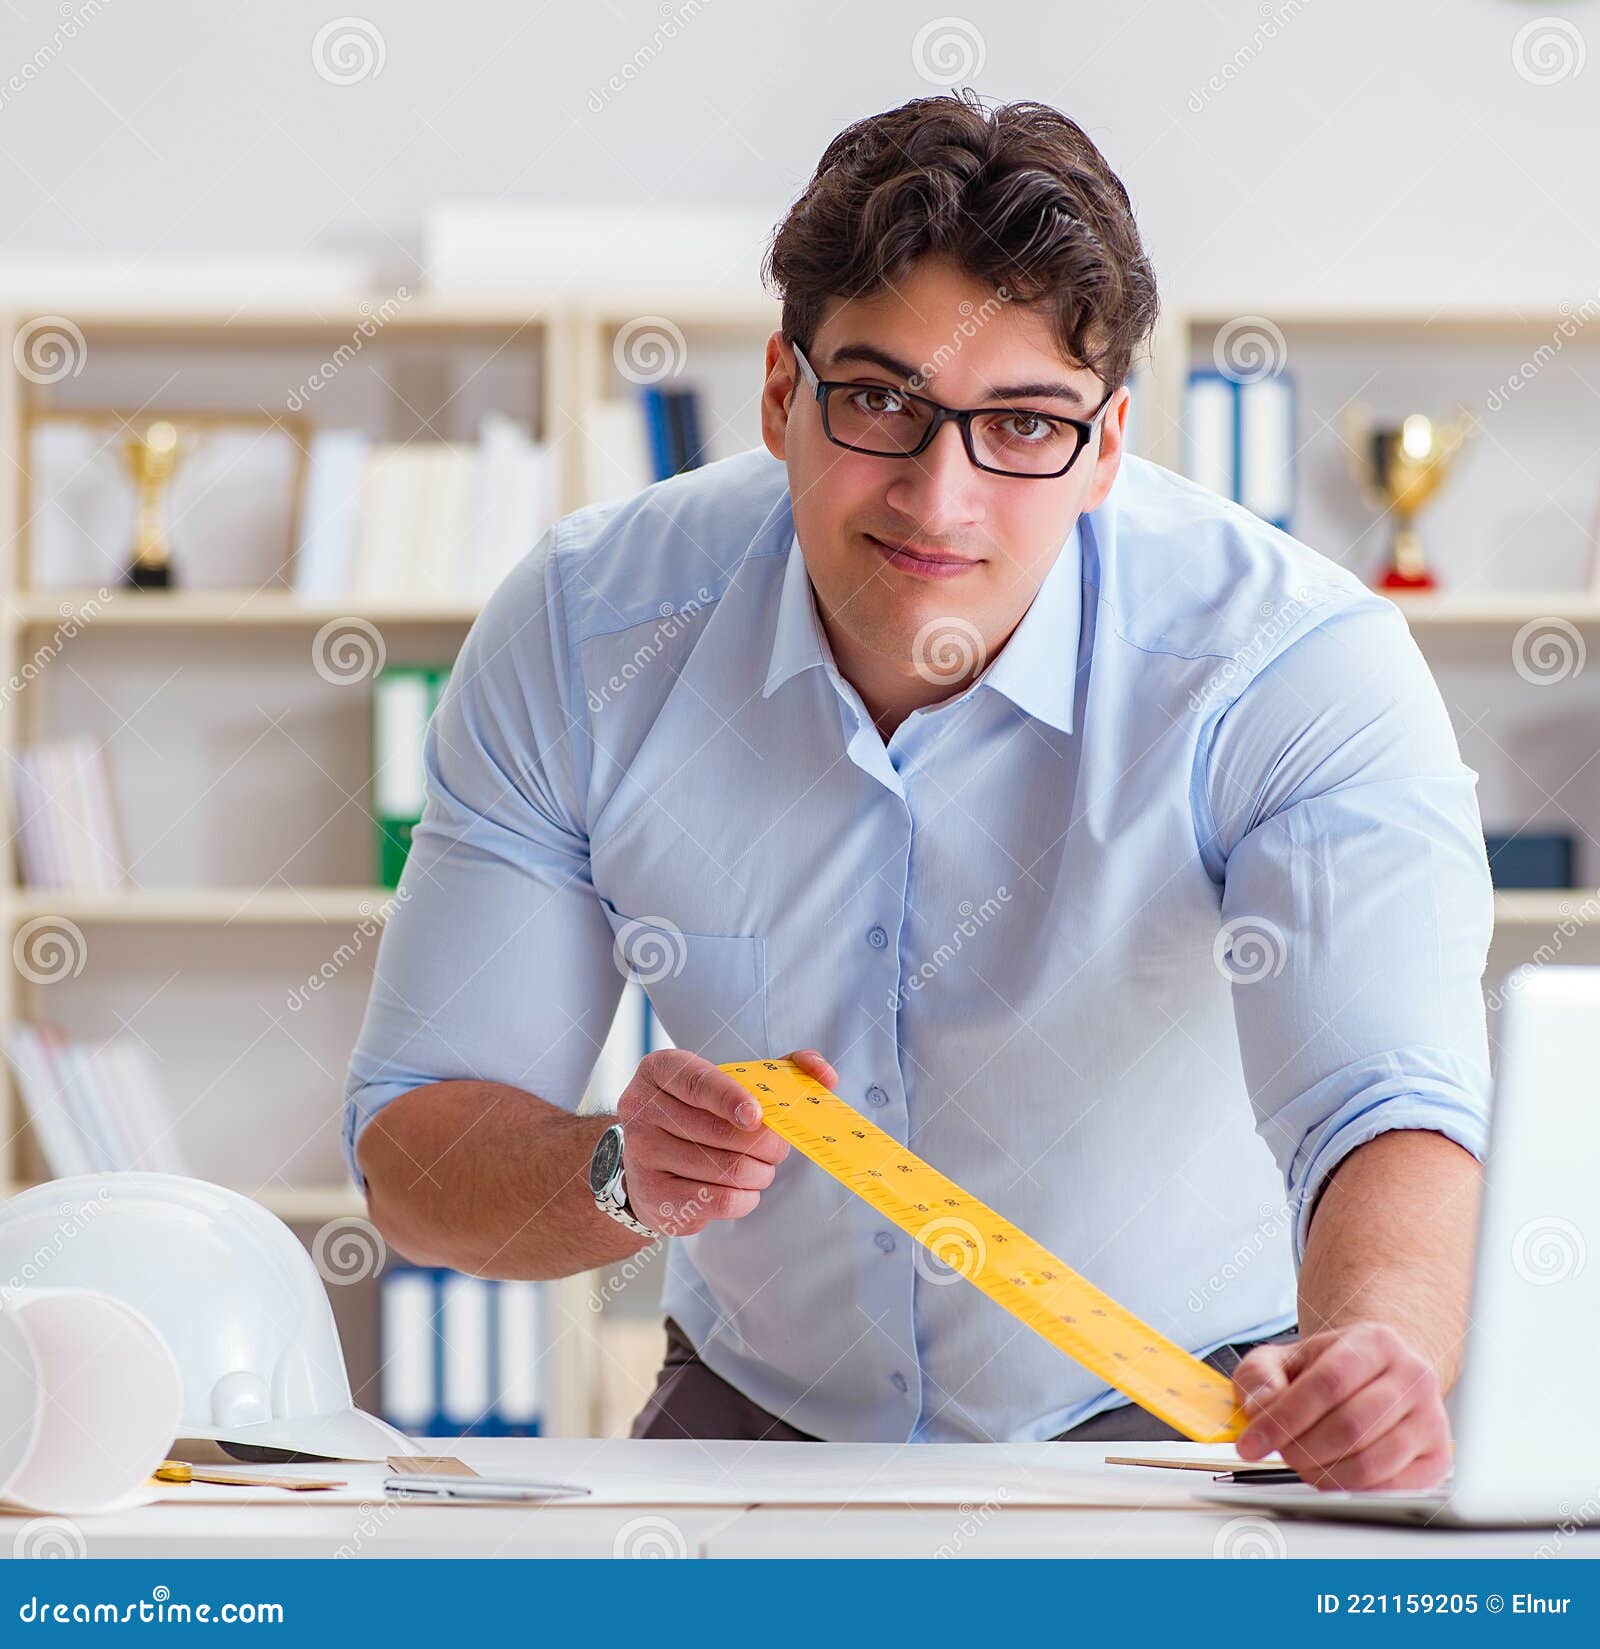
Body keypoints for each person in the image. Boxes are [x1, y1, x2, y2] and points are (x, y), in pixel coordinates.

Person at [346, 91, 1490, 1491]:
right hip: (754, 1412)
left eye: (1023, 423)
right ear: (782, 393)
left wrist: (1376, 1351)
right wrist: (615, 1171)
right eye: (881, 400)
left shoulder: (1289, 667)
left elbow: (1384, 1102)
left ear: (1110, 444)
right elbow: (413, 1147)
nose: (939, 500)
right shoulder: (590, 633)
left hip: (1183, 1419)